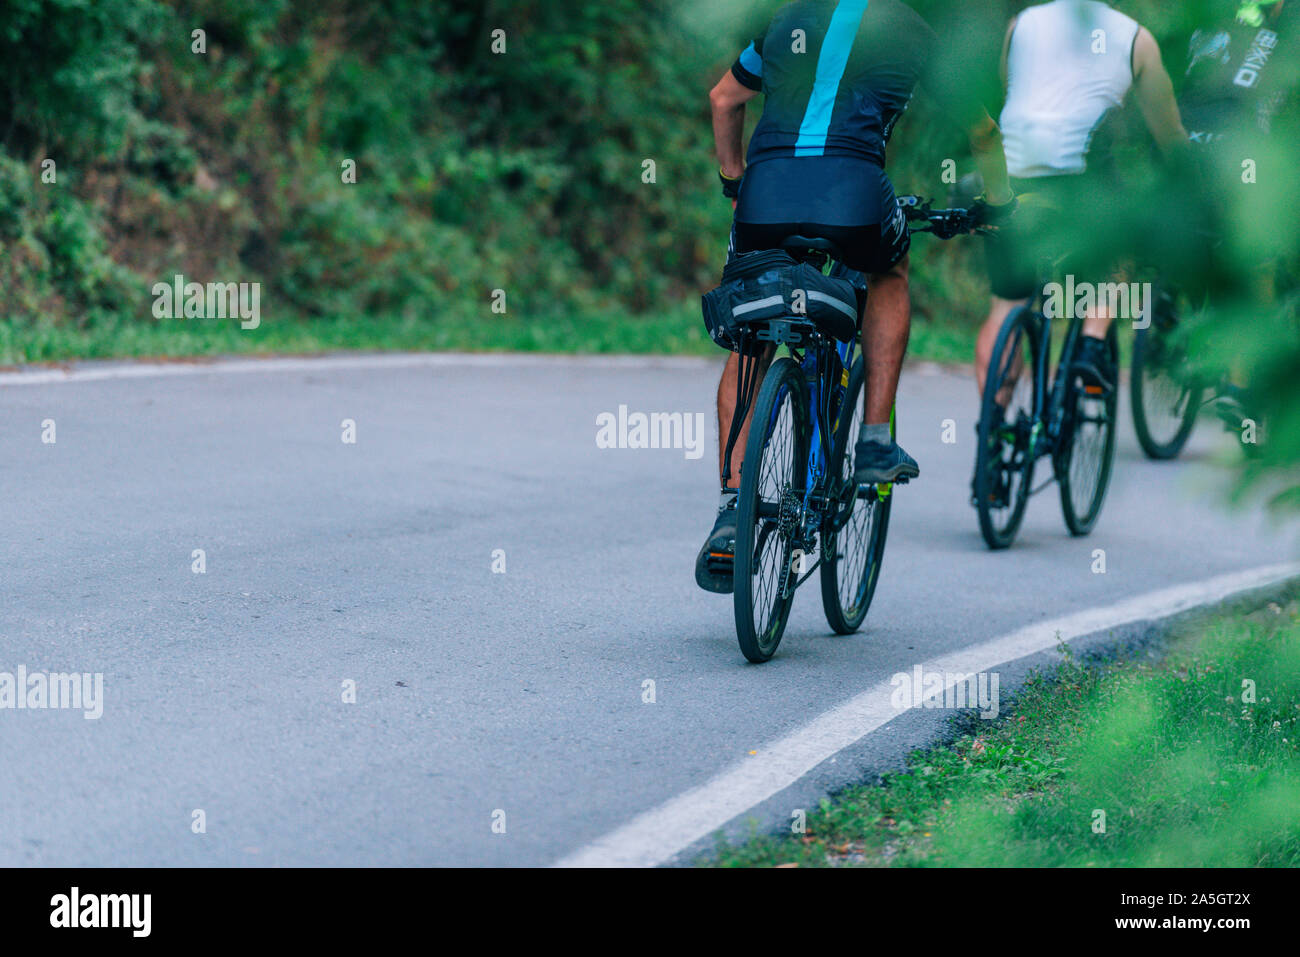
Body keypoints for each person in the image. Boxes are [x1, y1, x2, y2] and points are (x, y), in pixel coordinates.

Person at [696, 0, 1017, 594]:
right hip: (853, 198)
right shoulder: (914, 32)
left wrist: (734, 182)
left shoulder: (787, 21)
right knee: (889, 270)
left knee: (751, 333)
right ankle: (873, 442)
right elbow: (981, 129)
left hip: (767, 195)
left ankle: (730, 511)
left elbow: (724, 100)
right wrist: (997, 204)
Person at [973, 0, 1189, 408]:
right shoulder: (1137, 39)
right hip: (1080, 179)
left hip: (1012, 174)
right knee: (1120, 240)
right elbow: (1170, 135)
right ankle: (1091, 340)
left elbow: (1007, 96)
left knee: (1006, 304)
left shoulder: (1020, 24)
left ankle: (993, 438)